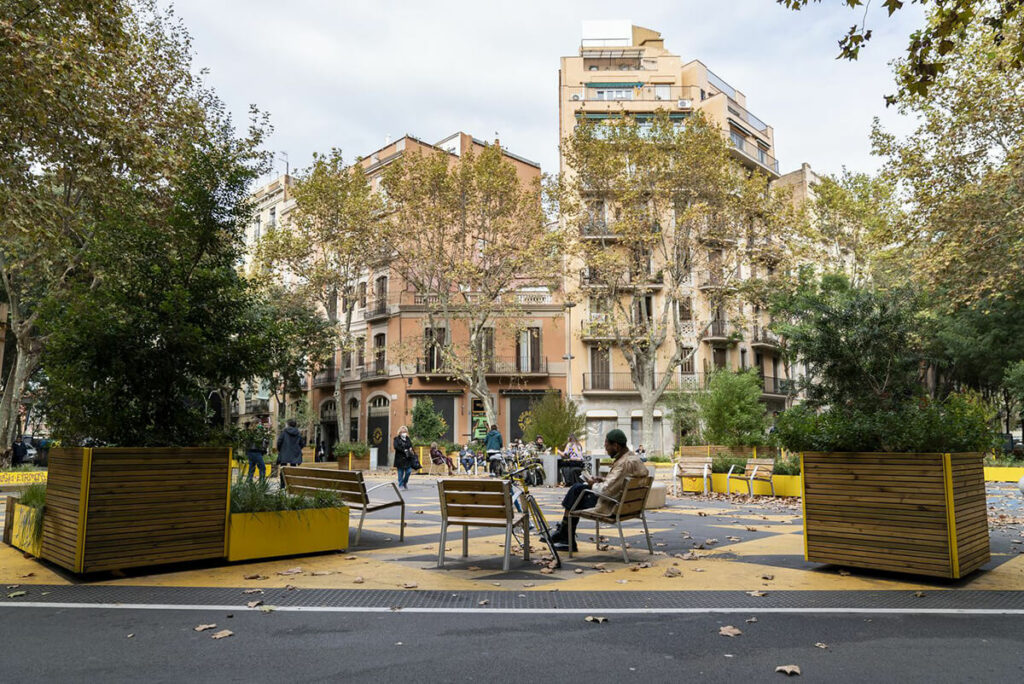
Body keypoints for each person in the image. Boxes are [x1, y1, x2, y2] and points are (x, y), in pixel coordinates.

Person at [549, 429, 648, 552]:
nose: (606, 450)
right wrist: (602, 479)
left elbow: (605, 491)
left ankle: (565, 536)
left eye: (607, 446)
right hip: (629, 504)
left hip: (611, 505)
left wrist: (592, 484)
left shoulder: (623, 464)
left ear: (616, 446)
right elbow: (619, 481)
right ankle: (564, 533)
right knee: (578, 489)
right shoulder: (633, 458)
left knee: (576, 491)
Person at [275, 418, 306, 485]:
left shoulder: (284, 432)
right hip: (294, 453)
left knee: (283, 468)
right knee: (293, 468)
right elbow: (302, 443)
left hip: (284, 453)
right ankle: (292, 484)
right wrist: (298, 449)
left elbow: (279, 442)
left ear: (288, 424)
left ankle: (282, 485)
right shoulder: (298, 433)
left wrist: (280, 449)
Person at [393, 426, 416, 490]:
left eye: (405, 432)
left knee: (408, 471)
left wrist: (411, 449)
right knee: (400, 473)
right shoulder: (396, 439)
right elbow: (396, 447)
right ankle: (400, 485)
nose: (404, 433)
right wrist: (404, 450)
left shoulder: (408, 439)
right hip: (400, 458)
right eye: (402, 432)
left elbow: (410, 445)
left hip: (407, 458)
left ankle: (405, 482)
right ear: (400, 432)